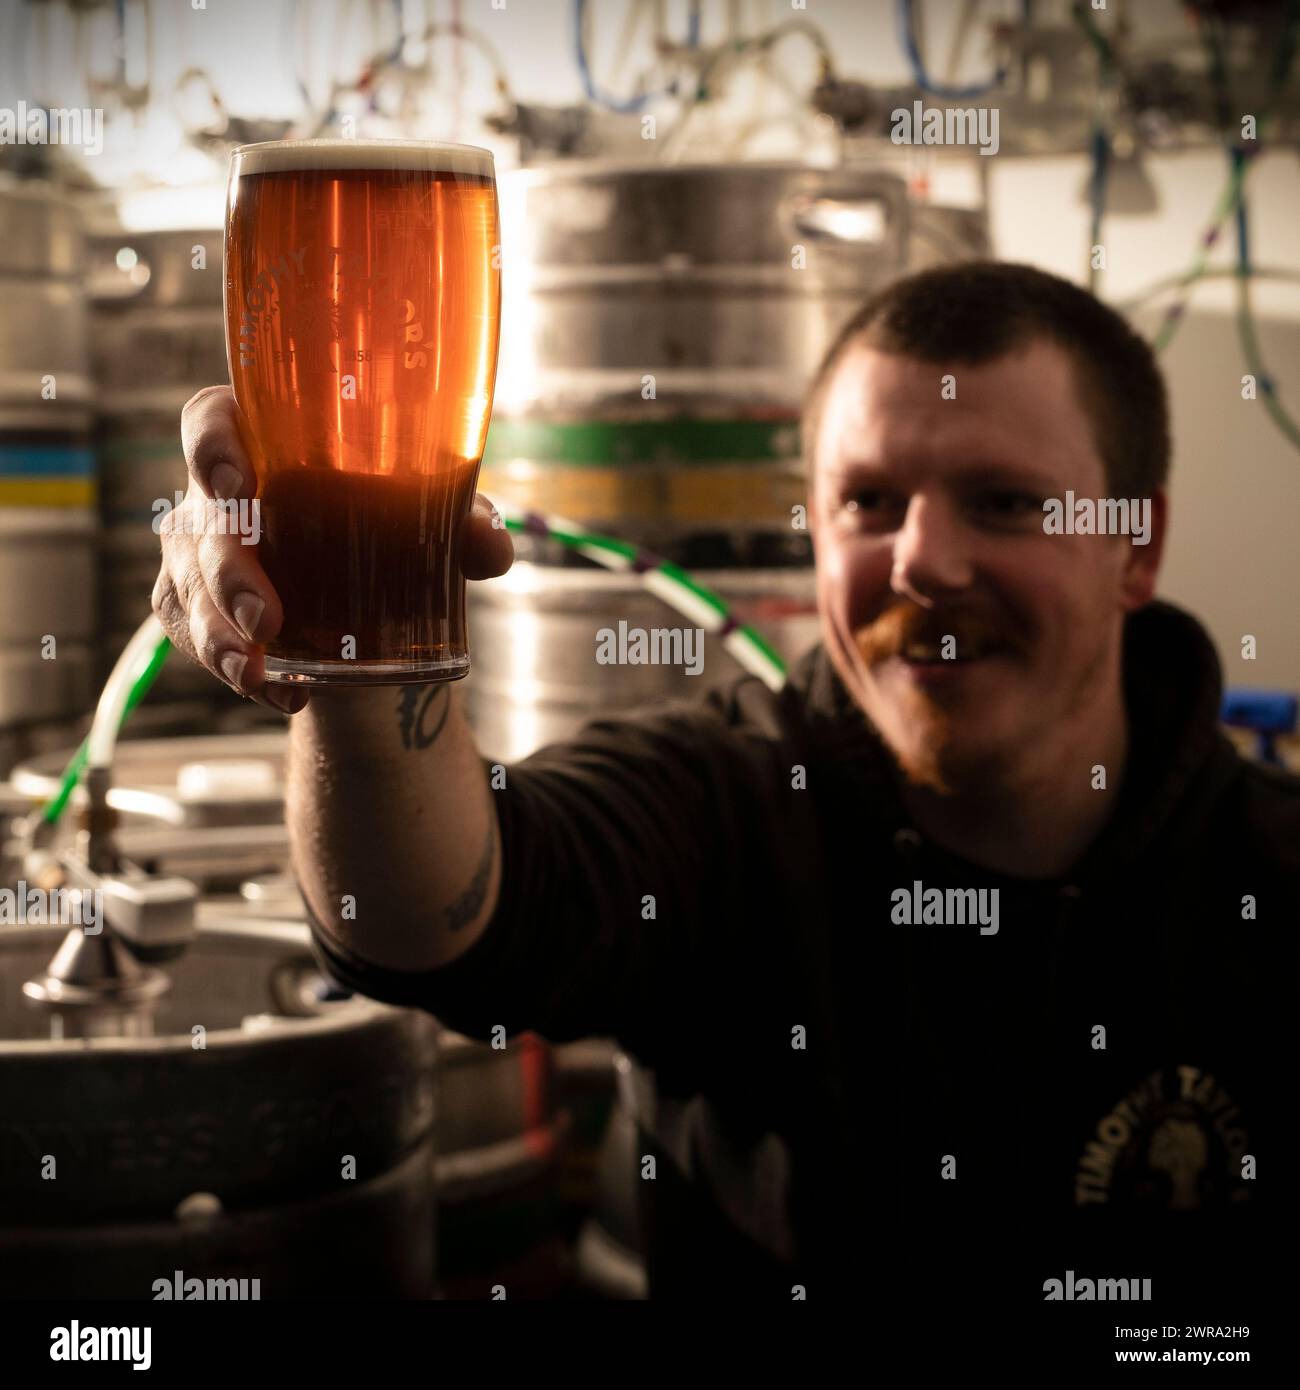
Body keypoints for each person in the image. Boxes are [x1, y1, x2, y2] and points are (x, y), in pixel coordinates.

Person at [154, 261, 1298, 1313]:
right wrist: (352, 651)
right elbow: (437, 923)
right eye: (867, 502)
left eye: (1002, 502)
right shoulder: (725, 804)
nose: (919, 562)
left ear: (1133, 545)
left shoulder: (1270, 873)